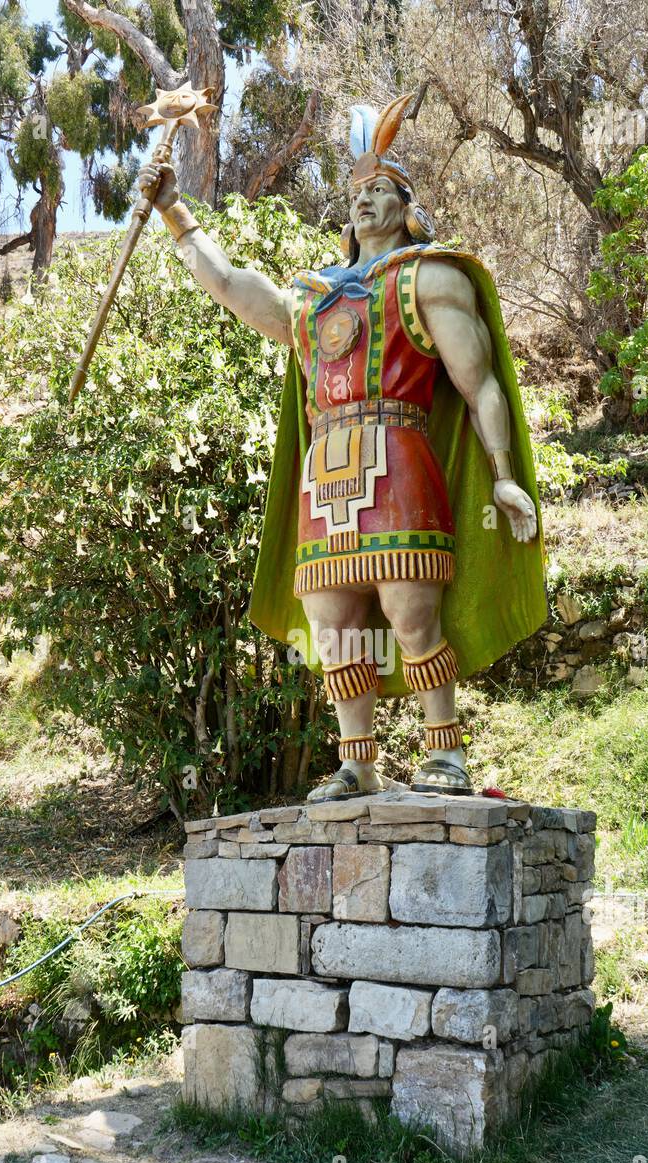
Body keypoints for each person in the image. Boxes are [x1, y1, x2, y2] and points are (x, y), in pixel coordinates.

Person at [137, 93, 546, 802]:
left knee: (412, 612)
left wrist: (504, 474)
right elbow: (233, 287)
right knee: (333, 629)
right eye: (356, 192)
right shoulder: (315, 299)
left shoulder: (431, 278)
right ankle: (358, 761)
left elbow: (479, 386)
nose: (364, 201)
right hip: (327, 472)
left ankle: (443, 752)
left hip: (400, 458)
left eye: (379, 190)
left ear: (406, 204)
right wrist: (177, 213)